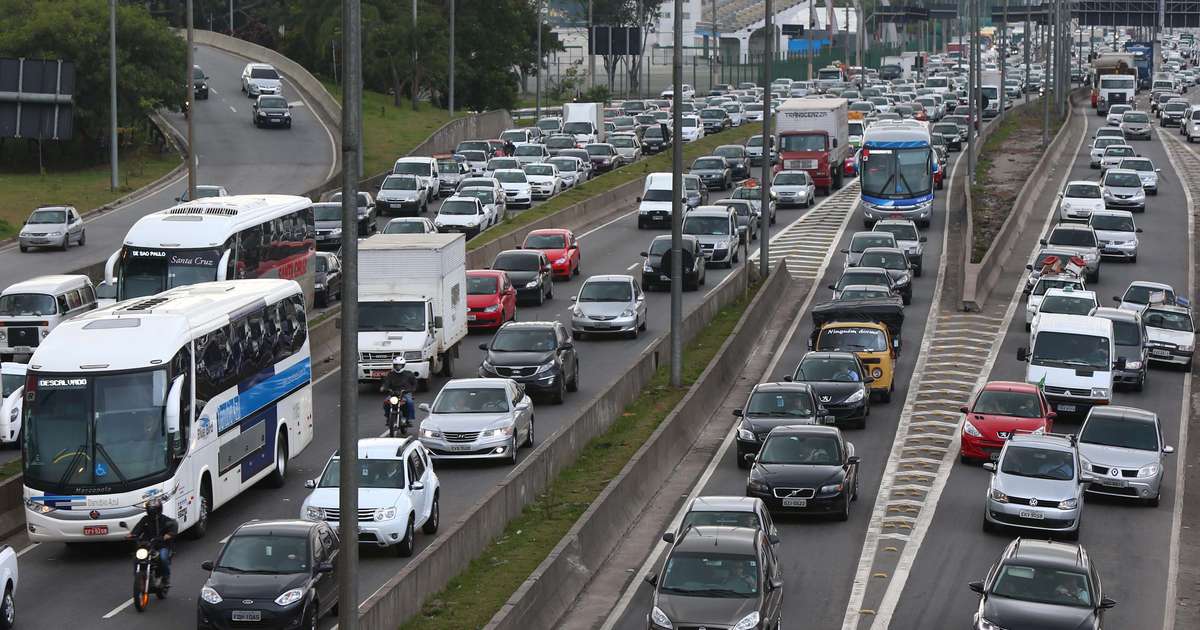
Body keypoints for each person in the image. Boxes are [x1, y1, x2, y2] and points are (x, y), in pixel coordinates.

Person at [130, 498, 178, 586]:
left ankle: (165, 578)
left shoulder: (166, 520)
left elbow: (172, 530)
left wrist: (166, 536)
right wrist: (132, 535)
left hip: (161, 546)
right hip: (147, 545)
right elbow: (137, 529)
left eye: (153, 511)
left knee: (163, 559)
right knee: (137, 558)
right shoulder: (145, 519)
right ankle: (138, 576)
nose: (151, 513)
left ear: (159, 510)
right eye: (150, 510)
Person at [381, 356, 418, 425]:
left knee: (410, 402)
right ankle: (388, 416)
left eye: (400, 365)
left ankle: (409, 419)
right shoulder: (390, 374)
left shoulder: (409, 374)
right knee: (386, 402)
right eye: (396, 365)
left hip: (405, 393)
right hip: (393, 393)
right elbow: (386, 382)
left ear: (403, 365)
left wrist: (412, 389)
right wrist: (384, 387)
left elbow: (414, 383)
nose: (398, 367)